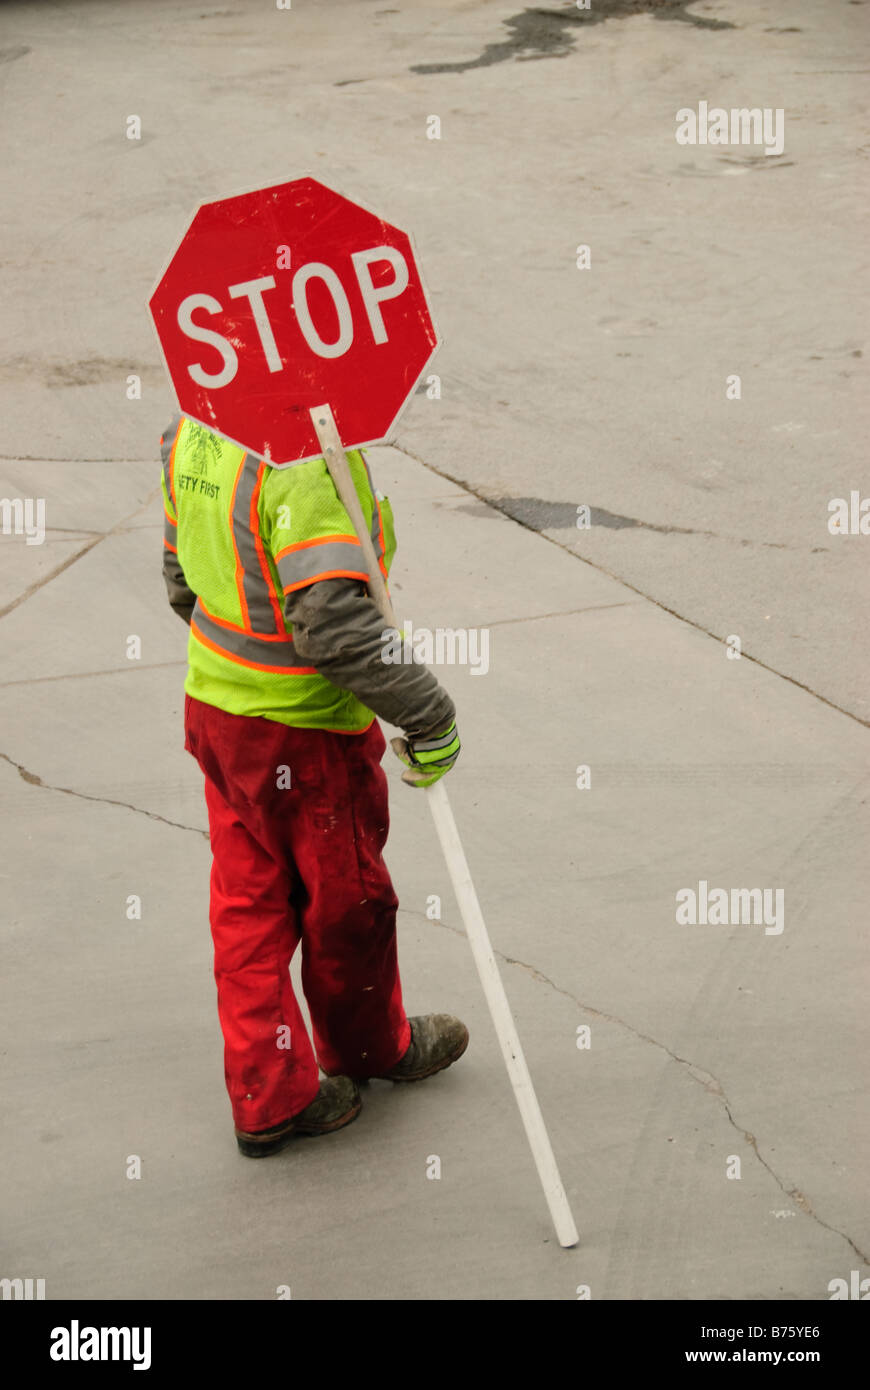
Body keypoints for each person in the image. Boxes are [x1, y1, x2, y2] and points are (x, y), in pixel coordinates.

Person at [159, 414, 468, 1157]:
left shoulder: (193, 427)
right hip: (306, 733)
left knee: (248, 906)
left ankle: (269, 1095)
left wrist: (236, 661)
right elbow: (331, 626)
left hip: (218, 712)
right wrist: (428, 714)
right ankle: (368, 1049)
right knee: (347, 905)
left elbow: (180, 579)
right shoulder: (303, 457)